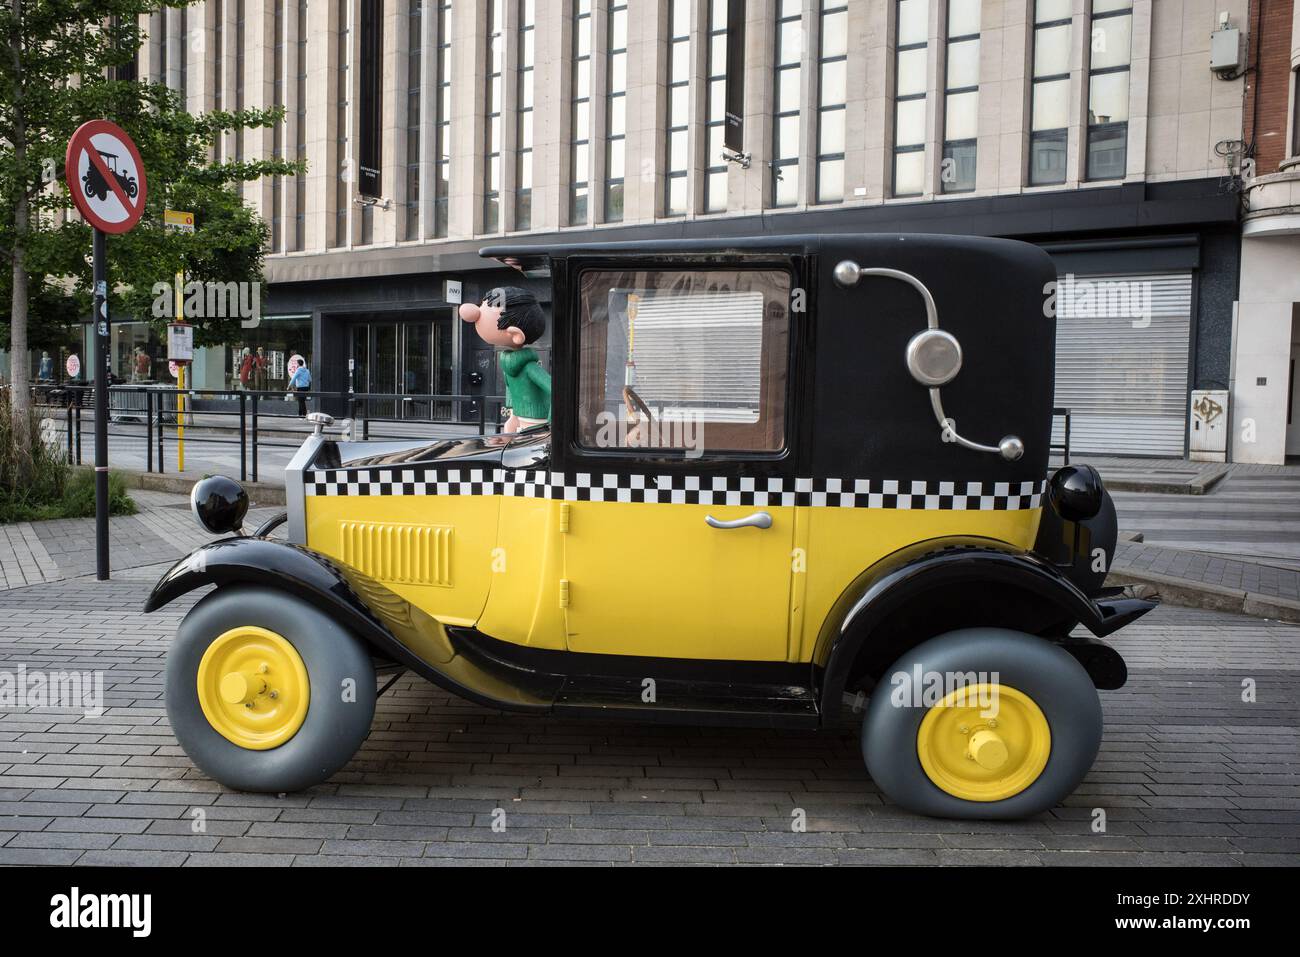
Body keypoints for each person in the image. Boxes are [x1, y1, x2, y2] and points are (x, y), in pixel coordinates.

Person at [458, 286, 550, 433]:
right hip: (520, 417)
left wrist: (551, 420)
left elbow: (553, 390)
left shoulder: (530, 368)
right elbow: (510, 389)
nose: (475, 312)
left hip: (536, 421)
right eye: (483, 305)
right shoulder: (508, 363)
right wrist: (512, 415)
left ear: (516, 335)